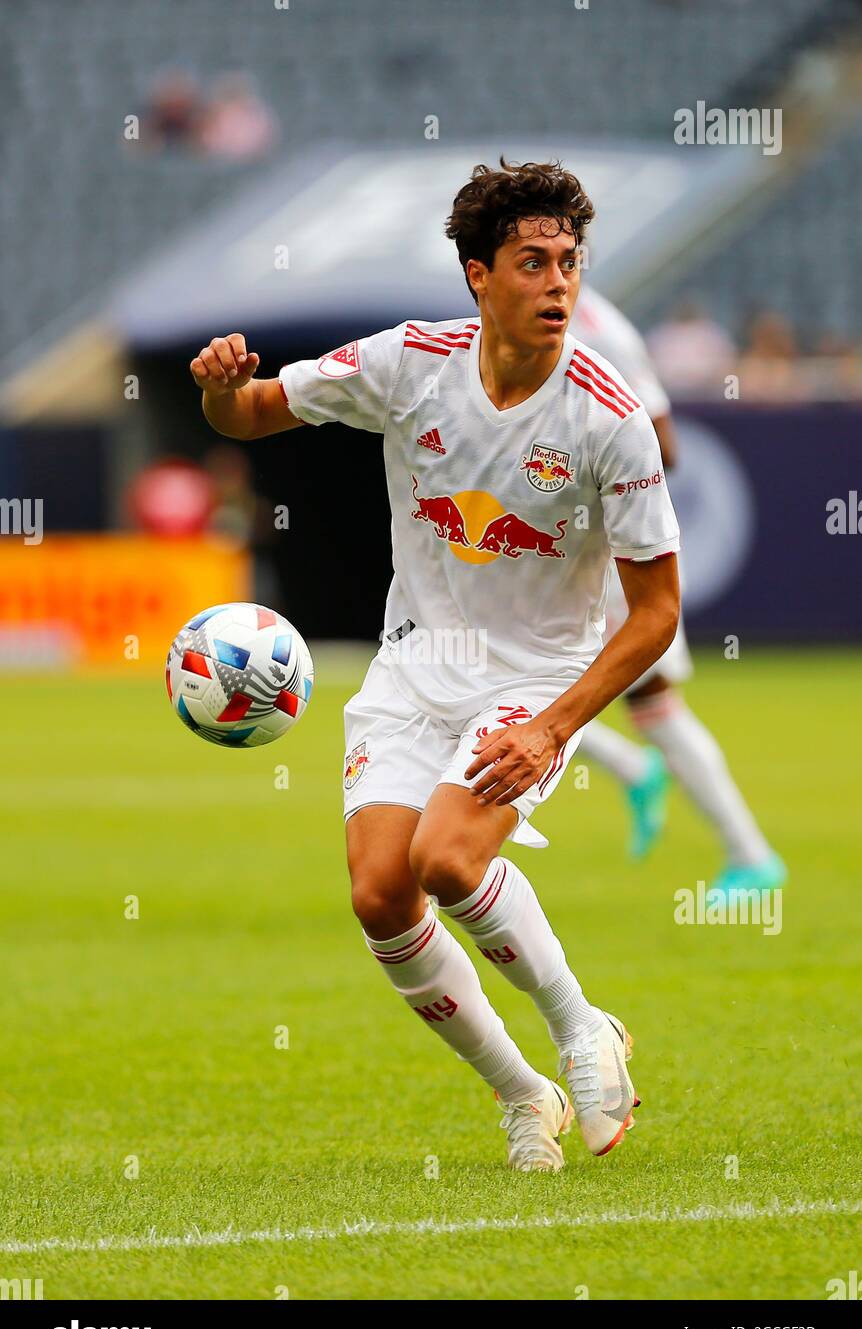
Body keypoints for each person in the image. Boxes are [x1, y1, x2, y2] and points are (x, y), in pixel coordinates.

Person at [190, 158, 681, 1172]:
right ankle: (523, 1094)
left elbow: (654, 615)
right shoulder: (408, 363)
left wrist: (553, 725)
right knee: (380, 892)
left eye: (568, 262)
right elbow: (250, 417)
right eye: (531, 262)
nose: (557, 284)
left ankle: (583, 1028)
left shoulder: (607, 415)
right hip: (414, 666)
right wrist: (222, 393)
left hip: (534, 678)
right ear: (475, 275)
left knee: (448, 859)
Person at [572, 287, 787, 894]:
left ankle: (748, 854)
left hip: (609, 555)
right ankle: (739, 847)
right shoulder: (540, 319)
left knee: (509, 680)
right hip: (567, 551)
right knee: (498, 677)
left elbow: (664, 447)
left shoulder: (600, 333)